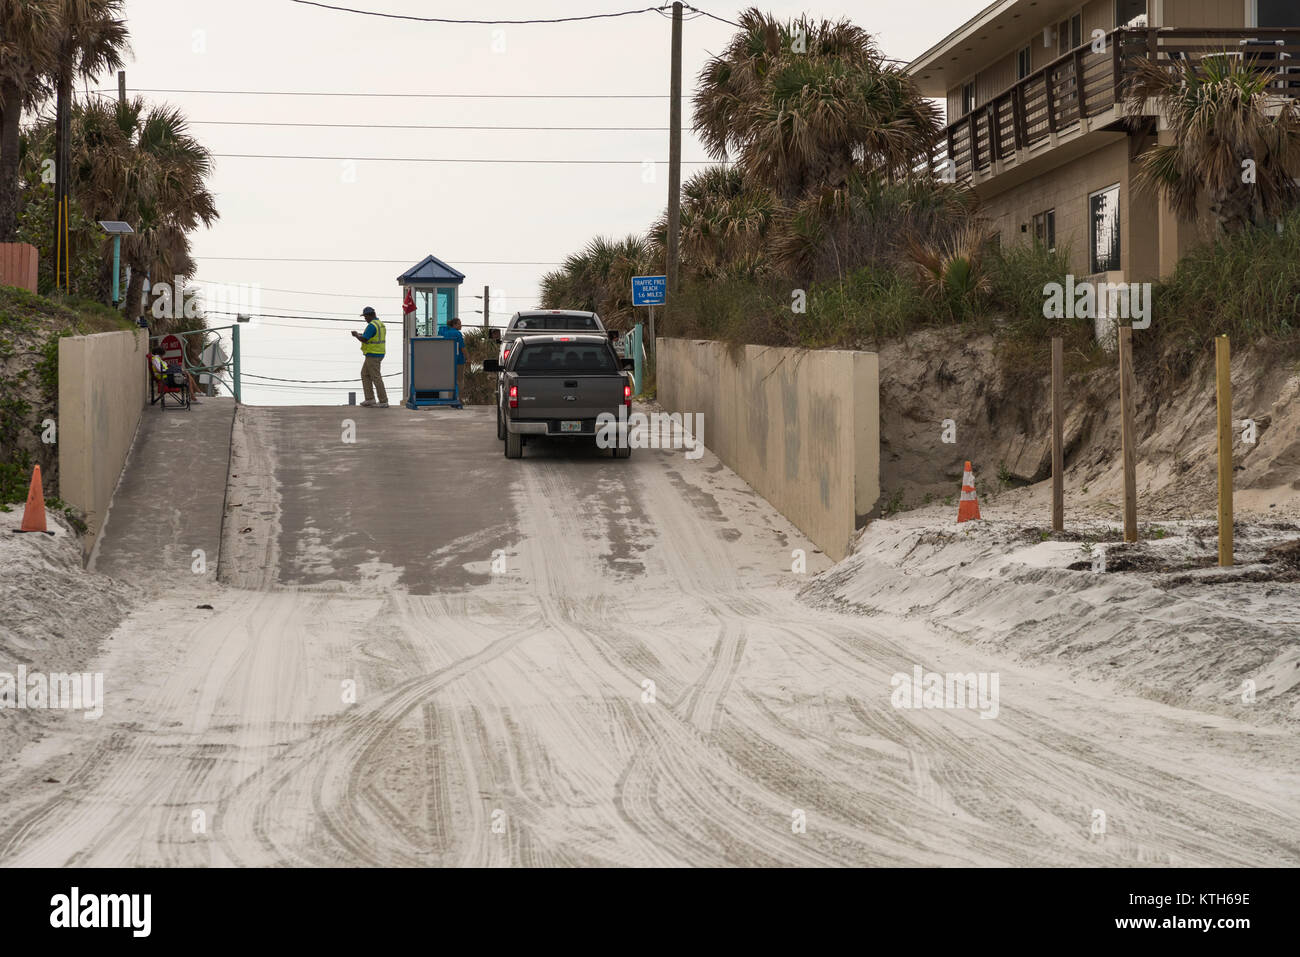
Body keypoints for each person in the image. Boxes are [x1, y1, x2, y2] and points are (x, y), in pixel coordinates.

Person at [351, 306, 388, 407]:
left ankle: (383, 400)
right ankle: (370, 398)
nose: (365, 319)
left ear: (370, 315)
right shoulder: (380, 324)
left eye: (365, 317)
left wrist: (356, 335)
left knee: (376, 377)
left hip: (373, 354)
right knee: (365, 374)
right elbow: (371, 336)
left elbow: (365, 339)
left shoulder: (372, 325)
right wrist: (360, 335)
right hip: (378, 353)